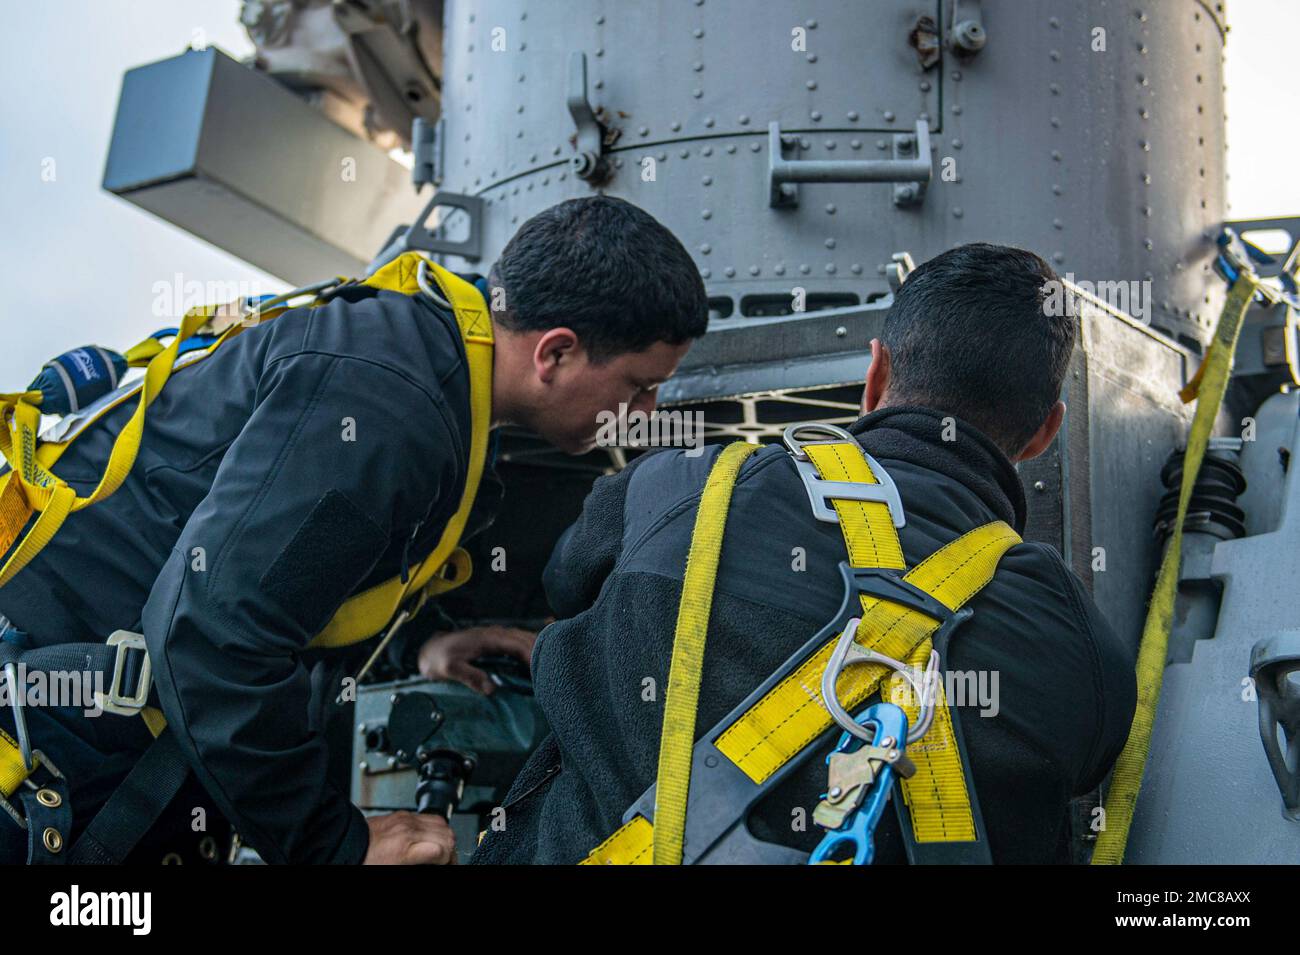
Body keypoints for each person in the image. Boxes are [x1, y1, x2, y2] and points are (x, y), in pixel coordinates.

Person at [0, 195, 707, 864]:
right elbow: (211, 637)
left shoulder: (424, 354)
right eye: (638, 385)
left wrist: (419, 642)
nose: (644, 412)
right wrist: (338, 843)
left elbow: (293, 575)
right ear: (555, 353)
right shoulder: (389, 404)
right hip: (47, 751)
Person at [473, 242, 1138, 865]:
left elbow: (568, 586)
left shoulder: (681, 487)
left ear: (875, 373)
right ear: (1044, 430)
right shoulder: (1085, 649)